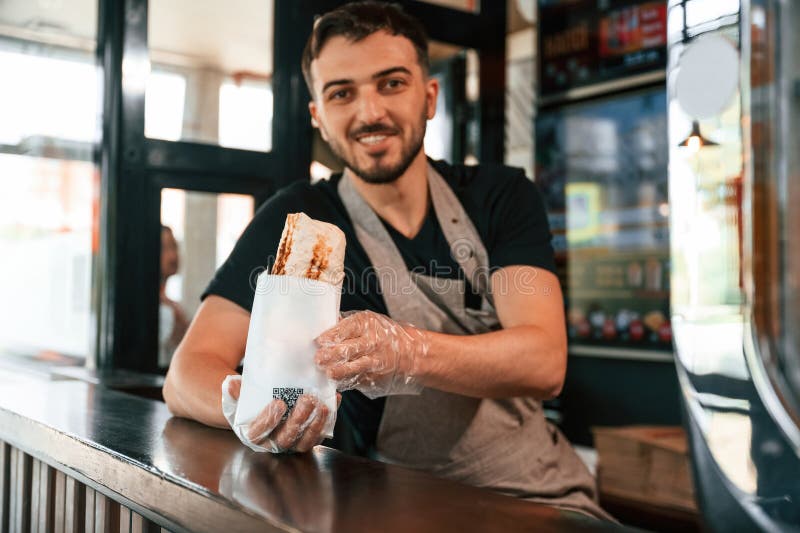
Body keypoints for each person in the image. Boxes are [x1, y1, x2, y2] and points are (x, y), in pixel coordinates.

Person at [164, 1, 611, 520]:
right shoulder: (295, 218)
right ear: (319, 117)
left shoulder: (499, 197)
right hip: (394, 504)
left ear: (430, 96)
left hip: (537, 498)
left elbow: (543, 361)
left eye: (392, 83)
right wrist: (245, 407)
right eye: (342, 93)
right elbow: (185, 374)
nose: (369, 112)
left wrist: (407, 351)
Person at [159, 225, 189, 367]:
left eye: (174, 247)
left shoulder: (171, 305)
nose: (173, 256)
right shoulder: (162, 311)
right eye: (164, 248)